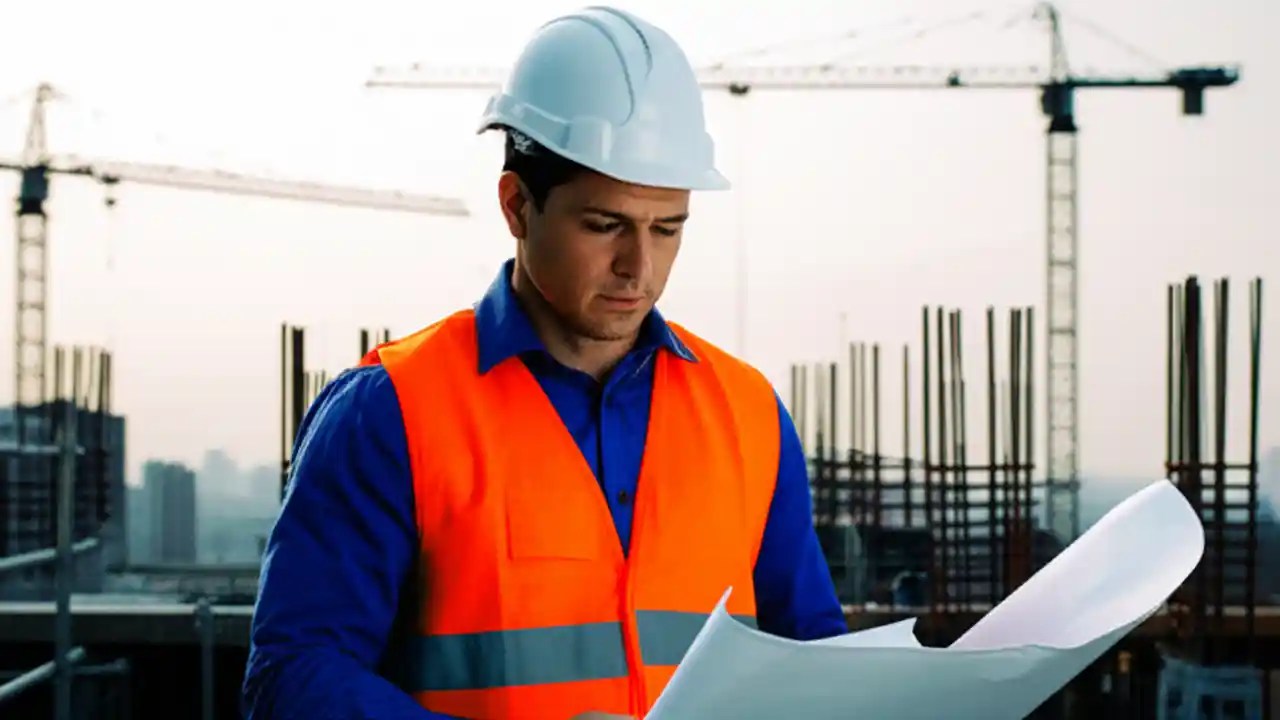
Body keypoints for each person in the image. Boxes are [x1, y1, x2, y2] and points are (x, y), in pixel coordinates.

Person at [241, 6, 847, 719]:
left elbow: (811, 658)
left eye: (668, 228)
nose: (639, 268)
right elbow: (294, 680)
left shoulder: (748, 415)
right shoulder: (390, 412)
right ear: (518, 206)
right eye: (605, 225)